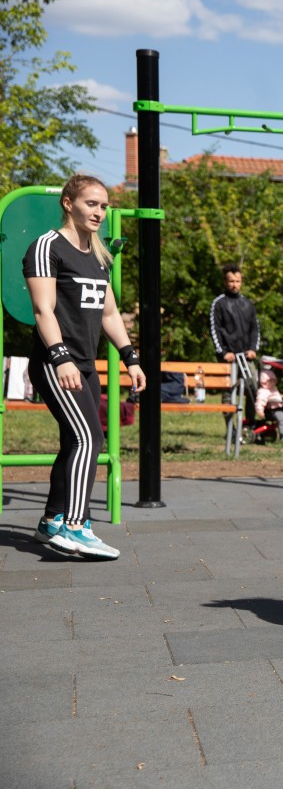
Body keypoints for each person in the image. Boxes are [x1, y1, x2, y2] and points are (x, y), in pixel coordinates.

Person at [23, 174, 147, 560]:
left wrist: (131, 358)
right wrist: (60, 357)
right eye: (91, 204)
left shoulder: (98, 255)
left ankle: (52, 520)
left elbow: (109, 312)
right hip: (54, 362)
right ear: (68, 203)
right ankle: (76, 527)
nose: (99, 212)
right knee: (89, 438)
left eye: (104, 206)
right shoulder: (47, 247)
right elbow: (43, 309)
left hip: (87, 366)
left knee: (73, 441)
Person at [209, 264, 260, 418]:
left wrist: (253, 349)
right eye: (231, 281)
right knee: (228, 392)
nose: (234, 285)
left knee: (253, 389)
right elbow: (214, 330)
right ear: (225, 282)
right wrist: (223, 352)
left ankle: (249, 425)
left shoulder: (247, 303)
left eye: (237, 281)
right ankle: (230, 428)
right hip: (228, 357)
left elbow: (255, 328)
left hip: (245, 356)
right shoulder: (219, 303)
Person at [254, 368, 283, 441]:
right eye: (270, 381)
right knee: (281, 418)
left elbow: (277, 397)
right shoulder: (263, 391)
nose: (272, 383)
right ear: (264, 382)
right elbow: (260, 402)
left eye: (273, 381)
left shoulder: (274, 389)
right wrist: (260, 411)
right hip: (271, 411)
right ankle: (282, 434)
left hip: (280, 408)